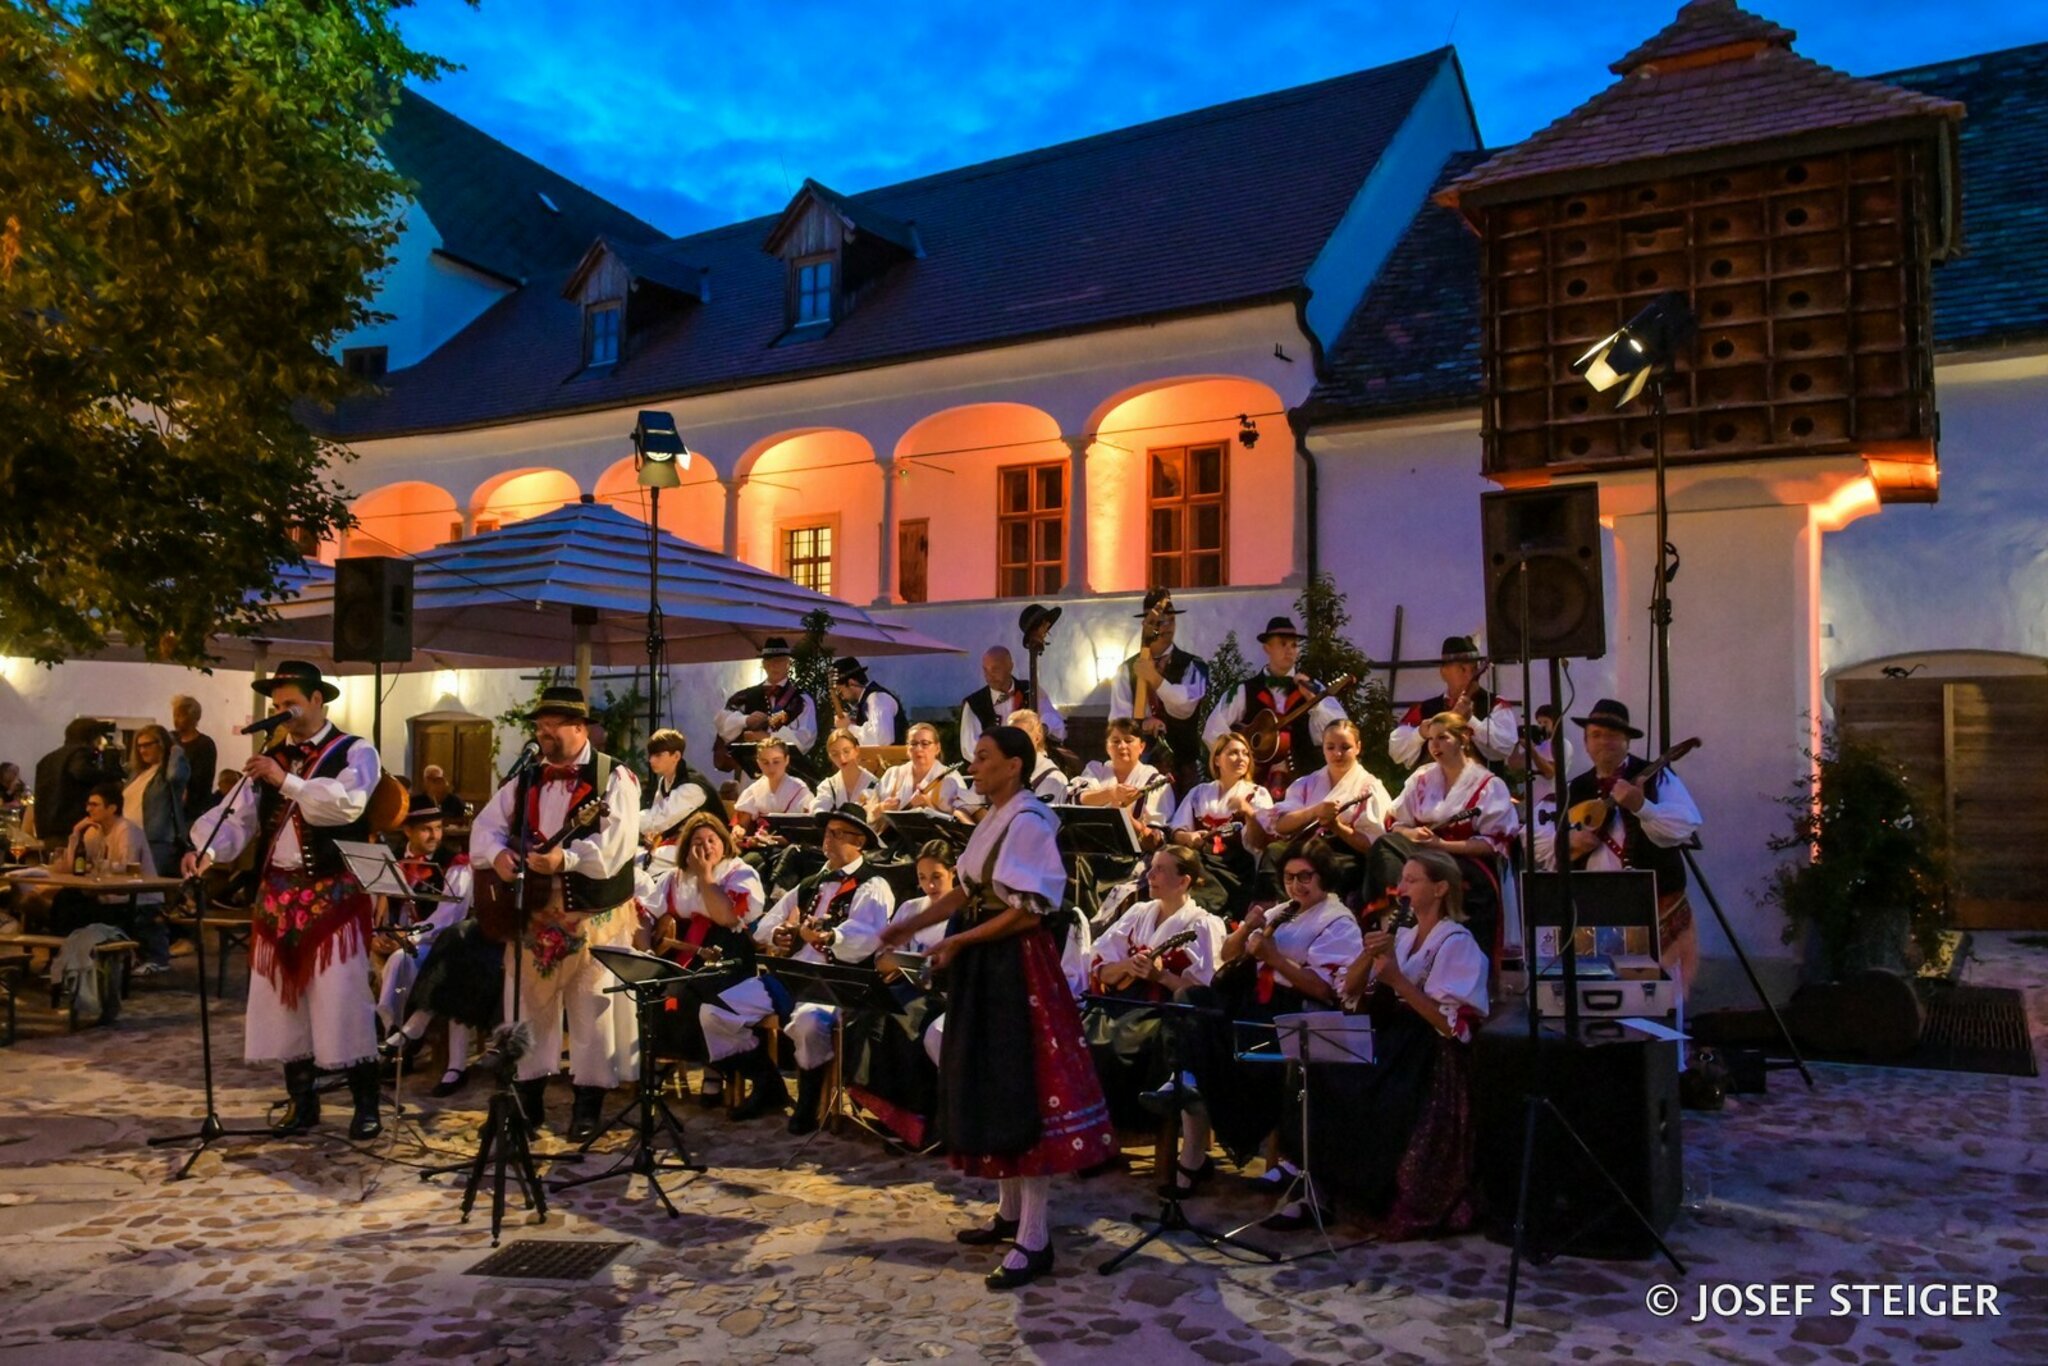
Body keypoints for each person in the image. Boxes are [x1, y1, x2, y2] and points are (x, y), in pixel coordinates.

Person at [879, 726, 1116, 1291]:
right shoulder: (995, 818)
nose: (974, 767)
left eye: (984, 758)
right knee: (991, 1082)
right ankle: (1009, 1214)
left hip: (1013, 965)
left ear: (1014, 765)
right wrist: (912, 924)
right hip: (986, 962)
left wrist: (959, 942)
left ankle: (1035, 1238)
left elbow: (1028, 911)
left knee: (1020, 1089)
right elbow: (966, 889)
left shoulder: (1030, 821)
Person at [183, 661, 385, 1140]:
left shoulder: (356, 751)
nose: (282, 713)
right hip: (277, 897)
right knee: (282, 1003)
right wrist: (206, 851)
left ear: (319, 700)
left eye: (290, 703)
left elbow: (344, 805)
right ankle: (302, 1101)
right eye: (276, 707)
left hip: (332, 896)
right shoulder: (269, 757)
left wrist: (285, 780)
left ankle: (366, 1105)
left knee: (341, 1001)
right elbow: (234, 816)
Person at [1267, 847, 1488, 1235]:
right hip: (1392, 1039)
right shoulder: (1400, 935)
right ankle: (1314, 1185)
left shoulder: (1456, 942)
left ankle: (1358, 1187)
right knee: (1314, 1062)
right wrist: (1370, 955)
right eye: (1402, 878)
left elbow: (1455, 1027)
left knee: (1359, 1086)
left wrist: (1399, 981)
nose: (1400, 887)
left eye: (1412, 880)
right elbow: (1348, 992)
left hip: (1428, 1052)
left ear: (1439, 889)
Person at [471, 684, 643, 1143]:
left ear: (580, 727)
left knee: (591, 1012)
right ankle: (527, 1106)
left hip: (591, 915)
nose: (544, 734)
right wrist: (498, 857)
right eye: (540, 726)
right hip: (534, 916)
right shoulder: (526, 776)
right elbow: (483, 828)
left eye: (553, 726)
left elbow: (618, 845)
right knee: (529, 1007)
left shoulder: (614, 777)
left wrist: (563, 861)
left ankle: (588, 1107)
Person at [1159, 841, 1362, 1199]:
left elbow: (1327, 990)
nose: (1296, 885)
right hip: (1251, 1001)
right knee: (1188, 1000)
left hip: (1288, 1012)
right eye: (1288, 877)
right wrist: (1246, 929)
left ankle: (1195, 1141)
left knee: (1208, 1039)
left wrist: (1276, 958)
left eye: (1304, 877)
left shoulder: (1338, 921)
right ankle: (1188, 1092)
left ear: (1323, 877)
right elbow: (1227, 955)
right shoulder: (1283, 910)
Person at [700, 804, 894, 1130]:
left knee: (807, 1022)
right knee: (715, 1011)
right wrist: (779, 934)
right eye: (827, 833)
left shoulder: (873, 885)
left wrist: (830, 936)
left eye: (836, 834)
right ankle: (767, 1083)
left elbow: (868, 936)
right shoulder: (810, 884)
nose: (827, 840)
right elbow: (764, 926)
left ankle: (809, 1098)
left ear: (859, 841)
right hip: (793, 976)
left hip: (834, 983)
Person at [1534, 698, 1703, 997]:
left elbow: (1686, 824)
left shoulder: (1655, 776)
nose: (1604, 742)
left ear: (1626, 741)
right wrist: (1569, 842)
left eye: (1612, 735)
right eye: (1596, 735)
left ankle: (1660, 1040)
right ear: (1585, 743)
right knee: (1599, 988)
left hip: (1655, 903)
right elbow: (1532, 836)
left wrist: (1643, 807)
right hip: (1597, 905)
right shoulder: (1577, 788)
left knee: (1659, 992)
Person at [1082, 847, 1226, 1131]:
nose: (1150, 875)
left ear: (1184, 881)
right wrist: (1127, 967)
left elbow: (1205, 994)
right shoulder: (1138, 912)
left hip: (1167, 1015)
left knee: (1116, 1050)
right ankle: (1092, 1133)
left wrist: (1160, 976)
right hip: (1123, 1004)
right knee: (1082, 1039)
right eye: (1152, 867)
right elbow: (1101, 967)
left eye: (1160, 869)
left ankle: (1125, 1129)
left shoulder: (1203, 925)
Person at [640, 812, 766, 1108]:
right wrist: (646, 949)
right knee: (658, 993)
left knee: (695, 995)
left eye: (712, 840)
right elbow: (646, 915)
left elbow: (726, 916)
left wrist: (706, 876)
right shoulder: (673, 878)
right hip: (683, 953)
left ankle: (714, 1068)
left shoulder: (739, 873)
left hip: (726, 957)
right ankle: (664, 1057)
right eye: (698, 841)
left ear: (723, 842)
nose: (706, 847)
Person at [1373, 712, 1521, 964]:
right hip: (1420, 854)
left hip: (1465, 860)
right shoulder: (1421, 778)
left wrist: (1442, 845)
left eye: (1443, 738)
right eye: (1431, 739)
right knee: (1385, 844)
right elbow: (1394, 822)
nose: (1435, 746)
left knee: (1449, 875)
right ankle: (1397, 911)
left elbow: (1494, 844)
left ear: (1463, 739)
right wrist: (1411, 833)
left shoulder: (1488, 784)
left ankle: (1464, 964)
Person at [839, 839, 955, 1145]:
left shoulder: (959, 913)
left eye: (936, 877)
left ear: (953, 874)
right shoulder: (911, 908)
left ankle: (921, 1120)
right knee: (871, 1017)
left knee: (905, 1027)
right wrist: (900, 960)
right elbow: (884, 958)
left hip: (942, 995)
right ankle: (890, 1111)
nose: (929, 885)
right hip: (908, 988)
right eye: (922, 878)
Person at [373, 808, 477, 1097]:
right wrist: (382, 934)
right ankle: (392, 1042)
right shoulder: (391, 859)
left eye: (439, 828)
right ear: (407, 831)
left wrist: (409, 936)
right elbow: (379, 904)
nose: (435, 835)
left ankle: (401, 1042)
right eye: (426, 829)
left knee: (400, 962)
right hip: (404, 938)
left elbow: (449, 916)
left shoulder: (454, 863)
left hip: (439, 940)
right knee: (379, 962)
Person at [1246, 720, 1392, 902]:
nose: (1337, 754)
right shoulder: (1307, 783)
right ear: (1323, 748)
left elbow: (1373, 845)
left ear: (1358, 747)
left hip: (1343, 853)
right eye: (1330, 747)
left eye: (1345, 747)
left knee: (1325, 868)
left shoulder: (1369, 787)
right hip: (1305, 846)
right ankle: (1267, 915)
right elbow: (1282, 826)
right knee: (1275, 851)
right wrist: (1314, 811)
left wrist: (1337, 826)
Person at [1202, 616, 1348, 792]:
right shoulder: (1244, 690)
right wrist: (1237, 763)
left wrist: (1315, 703)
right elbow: (1212, 730)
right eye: (1283, 643)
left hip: (1304, 785)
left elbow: (1340, 730)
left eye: (1294, 645)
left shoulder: (1315, 689)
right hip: (1253, 787)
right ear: (1267, 648)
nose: (1289, 650)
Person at [53, 781, 170, 973]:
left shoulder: (126, 830)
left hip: (138, 898)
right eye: (88, 804)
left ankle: (78, 961)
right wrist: (75, 834)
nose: (88, 809)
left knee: (75, 905)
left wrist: (98, 868)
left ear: (112, 808)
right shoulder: (93, 831)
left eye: (95, 804)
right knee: (65, 899)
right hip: (108, 896)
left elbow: (126, 868)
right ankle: (64, 958)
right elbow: (70, 866)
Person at [1109, 589, 1209, 790]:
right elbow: (1117, 719)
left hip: (1183, 767)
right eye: (1160, 621)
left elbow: (1185, 705)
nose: (1167, 627)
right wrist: (1142, 723)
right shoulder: (1126, 670)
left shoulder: (1193, 665)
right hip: (1141, 767)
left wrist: (1155, 678)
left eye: (1171, 620)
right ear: (1146, 624)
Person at [1165, 731, 1272, 918]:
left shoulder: (1256, 794)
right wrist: (1188, 838)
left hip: (1235, 869)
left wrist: (1249, 813)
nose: (1241, 758)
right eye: (1233, 753)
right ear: (1216, 760)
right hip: (1200, 862)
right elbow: (1176, 831)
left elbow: (1261, 844)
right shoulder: (1200, 793)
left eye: (1245, 753)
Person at [1389, 636, 1519, 770]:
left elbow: (1504, 748)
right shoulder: (1425, 708)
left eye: (1474, 669)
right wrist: (1420, 733)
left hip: (1482, 790)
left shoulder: (1494, 704)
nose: (1469, 675)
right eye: (1462, 669)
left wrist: (1471, 720)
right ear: (1443, 672)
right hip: (1436, 789)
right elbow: (1396, 752)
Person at [716, 637, 817, 766]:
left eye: (779, 661)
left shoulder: (802, 699)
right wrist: (745, 720)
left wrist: (766, 737)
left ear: (788, 663)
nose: (774, 665)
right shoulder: (745, 696)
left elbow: (805, 738)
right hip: (751, 771)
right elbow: (722, 724)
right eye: (769, 660)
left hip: (788, 770)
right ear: (763, 664)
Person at [959, 642, 1066, 761]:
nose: (989, 676)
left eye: (995, 669)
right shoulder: (975, 703)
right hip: (996, 772)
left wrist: (1041, 730)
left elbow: (1055, 722)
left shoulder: (1029, 690)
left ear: (1010, 666)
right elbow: (970, 749)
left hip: (1033, 766)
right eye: (985, 670)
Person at [1076, 717, 1174, 835]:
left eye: (1128, 740)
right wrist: (1111, 794)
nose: (1122, 746)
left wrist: (1128, 820)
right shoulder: (1095, 770)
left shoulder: (1155, 780)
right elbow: (1079, 799)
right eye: (1116, 741)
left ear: (1142, 747)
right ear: (1107, 748)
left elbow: (1158, 840)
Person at [35, 717, 123, 845]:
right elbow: (80, 772)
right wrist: (109, 775)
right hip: (73, 824)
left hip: (48, 827)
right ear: (91, 736)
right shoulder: (79, 752)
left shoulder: (47, 759)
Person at [123, 724, 190, 886]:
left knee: (150, 889)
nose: (142, 750)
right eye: (139, 746)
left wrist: (174, 749)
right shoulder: (138, 773)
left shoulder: (168, 772)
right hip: (130, 837)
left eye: (147, 745)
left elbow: (175, 776)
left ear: (161, 744)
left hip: (155, 839)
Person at [730, 737, 815, 865]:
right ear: (758, 763)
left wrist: (783, 840)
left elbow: (807, 830)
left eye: (776, 761)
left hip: (790, 850)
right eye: (765, 762)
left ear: (786, 760)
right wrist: (739, 831)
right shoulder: (754, 790)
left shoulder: (799, 788)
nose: (771, 767)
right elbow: (742, 824)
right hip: (760, 848)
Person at [641, 729, 710, 856]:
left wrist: (627, 819)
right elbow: (656, 815)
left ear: (676, 756)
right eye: (650, 755)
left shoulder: (692, 786)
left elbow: (659, 820)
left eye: (658, 755)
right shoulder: (664, 781)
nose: (651, 761)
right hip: (684, 844)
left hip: (708, 848)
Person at [875, 723, 968, 816]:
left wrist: (929, 806)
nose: (918, 749)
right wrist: (882, 807)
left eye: (925, 743)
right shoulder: (893, 774)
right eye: (913, 744)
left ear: (937, 748)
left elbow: (961, 821)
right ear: (907, 748)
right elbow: (868, 811)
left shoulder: (951, 778)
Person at [830, 657, 907, 747]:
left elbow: (880, 740)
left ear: (851, 683)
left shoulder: (877, 699)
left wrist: (849, 727)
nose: (841, 697)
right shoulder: (867, 702)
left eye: (840, 691)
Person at [170, 695, 218, 826]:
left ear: (193, 718)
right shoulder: (170, 739)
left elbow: (202, 778)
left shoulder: (205, 744)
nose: (176, 720)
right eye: (175, 715)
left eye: (181, 715)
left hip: (193, 811)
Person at [811, 728, 880, 811]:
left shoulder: (874, 784)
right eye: (835, 754)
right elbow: (819, 811)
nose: (842, 758)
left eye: (846, 751)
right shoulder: (828, 786)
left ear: (856, 750)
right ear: (830, 757)